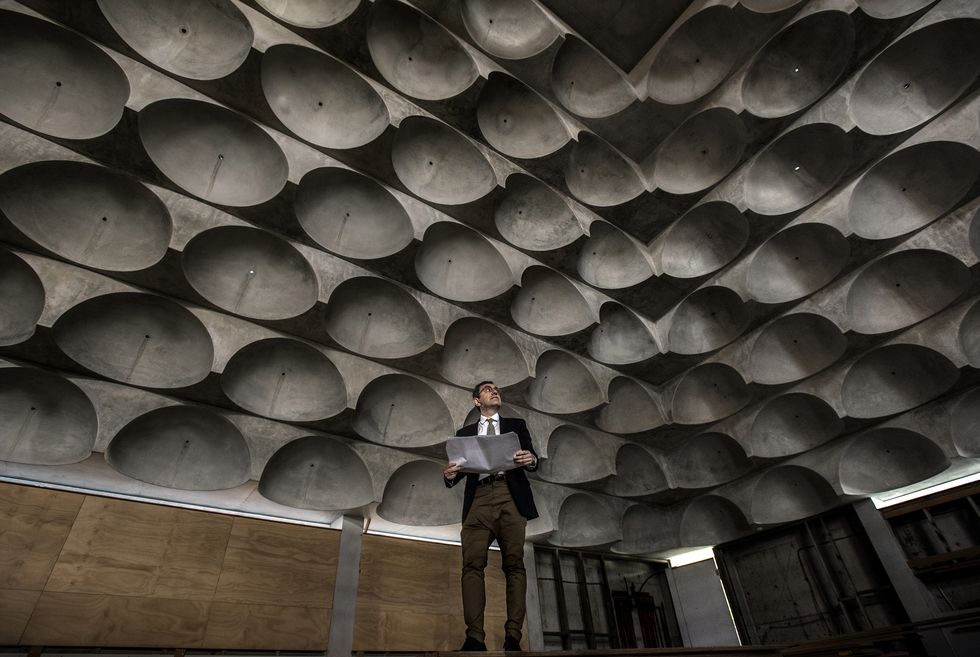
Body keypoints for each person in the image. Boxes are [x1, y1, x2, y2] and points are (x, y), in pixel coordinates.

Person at [443, 381, 539, 652]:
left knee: (514, 565)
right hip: (479, 500)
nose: (495, 391)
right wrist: (450, 475)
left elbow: (533, 460)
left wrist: (529, 459)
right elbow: (458, 471)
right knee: (471, 566)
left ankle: (513, 637)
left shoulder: (516, 425)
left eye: (496, 389)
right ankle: (474, 638)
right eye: (487, 389)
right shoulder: (465, 433)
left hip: (511, 495)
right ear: (476, 401)